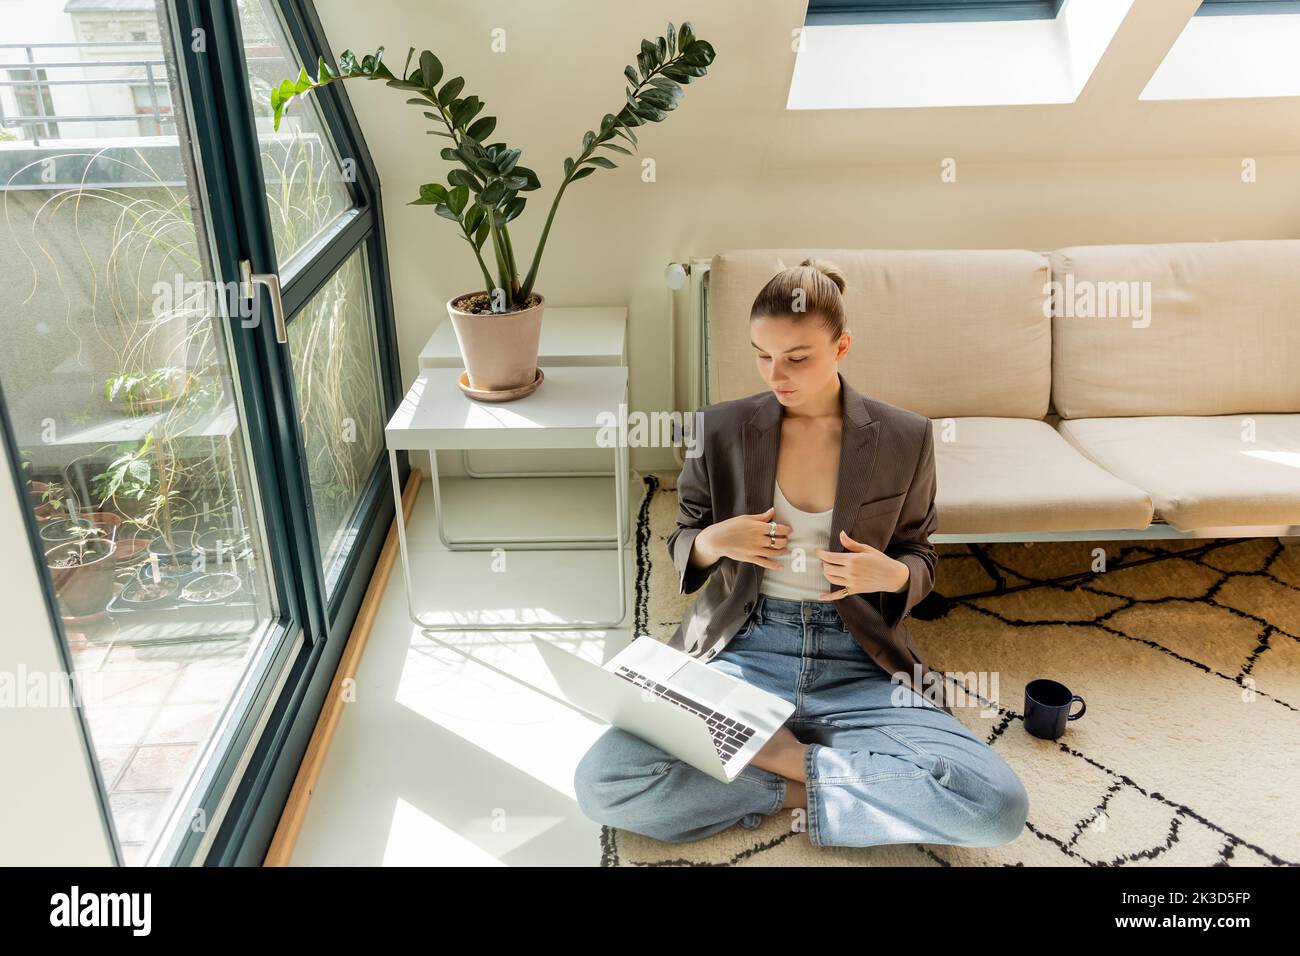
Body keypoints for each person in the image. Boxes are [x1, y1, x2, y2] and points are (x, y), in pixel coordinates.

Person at [573, 258, 1029, 848]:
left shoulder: (904, 436)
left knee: (994, 806)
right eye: (762, 354)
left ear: (841, 347)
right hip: (745, 651)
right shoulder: (719, 429)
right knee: (605, 783)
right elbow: (683, 535)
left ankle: (777, 762)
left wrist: (889, 573)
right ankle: (821, 783)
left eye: (797, 358)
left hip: (859, 663)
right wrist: (717, 541)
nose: (775, 374)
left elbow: (920, 554)